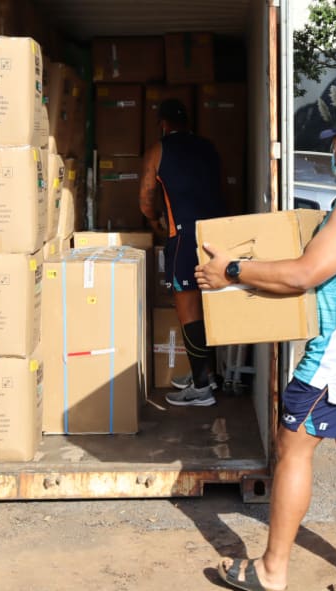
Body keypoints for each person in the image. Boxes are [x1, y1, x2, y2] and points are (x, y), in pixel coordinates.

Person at [195, 106, 336, 591]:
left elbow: (303, 274)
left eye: (334, 146)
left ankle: (272, 570)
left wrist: (232, 270)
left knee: (293, 446)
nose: (332, 155)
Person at [139, 99, 227, 407]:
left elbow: (146, 198)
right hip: (218, 235)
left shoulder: (158, 150)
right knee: (210, 307)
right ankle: (206, 373)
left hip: (185, 236)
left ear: (163, 123)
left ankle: (201, 388)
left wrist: (154, 221)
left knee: (188, 309)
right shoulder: (209, 147)